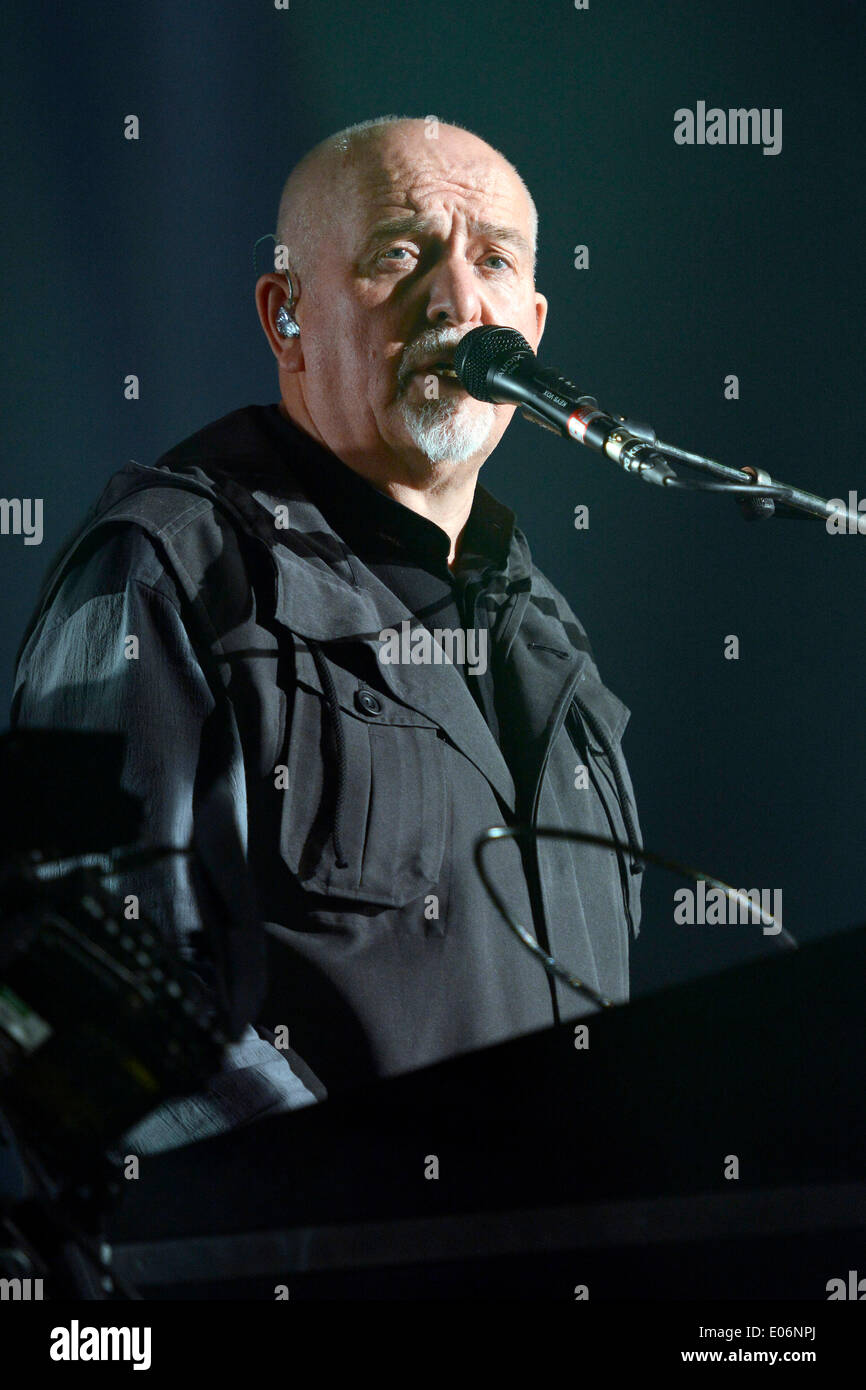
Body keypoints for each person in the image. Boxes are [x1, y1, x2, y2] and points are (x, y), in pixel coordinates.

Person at [10, 116, 643, 1155]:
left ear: (528, 327)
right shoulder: (166, 563)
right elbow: (85, 993)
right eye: (398, 253)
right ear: (286, 314)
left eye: (491, 260)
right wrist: (360, 1214)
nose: (453, 300)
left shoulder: (546, 635)